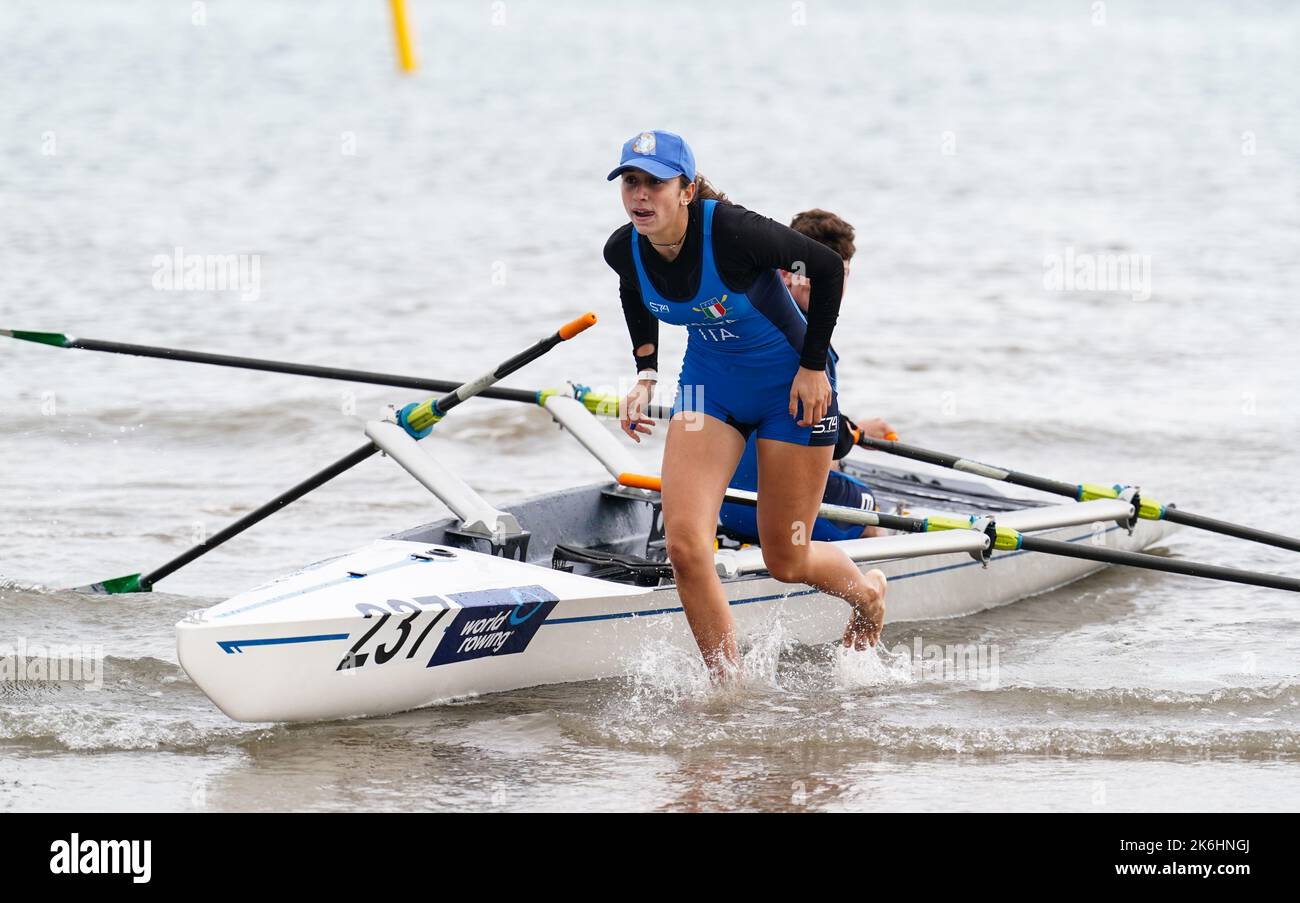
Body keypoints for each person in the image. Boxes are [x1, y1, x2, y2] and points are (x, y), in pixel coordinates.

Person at [604, 130, 886, 673]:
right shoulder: (624, 248)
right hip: (711, 388)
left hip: (793, 387)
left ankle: (868, 597)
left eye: (656, 183)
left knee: (786, 557)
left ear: (685, 190)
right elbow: (632, 291)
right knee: (687, 549)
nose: (641, 196)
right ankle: (726, 689)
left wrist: (811, 364)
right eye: (631, 182)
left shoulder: (733, 232)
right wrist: (645, 374)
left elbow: (825, 268)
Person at [719, 209, 895, 544]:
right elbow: (828, 445)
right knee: (870, 509)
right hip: (781, 518)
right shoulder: (812, 350)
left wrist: (852, 432)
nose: (832, 284)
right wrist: (853, 436)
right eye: (818, 272)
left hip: (728, 507)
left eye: (840, 273)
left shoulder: (743, 328)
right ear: (785, 273)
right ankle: (871, 583)